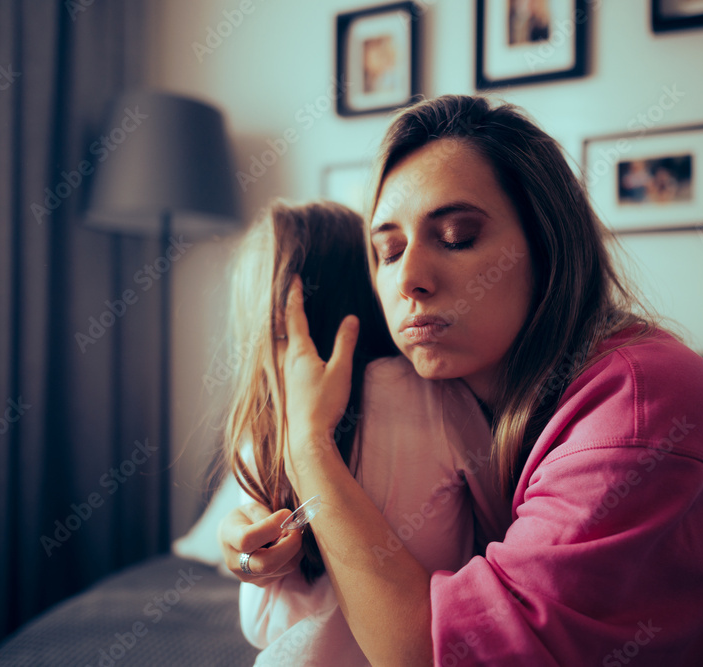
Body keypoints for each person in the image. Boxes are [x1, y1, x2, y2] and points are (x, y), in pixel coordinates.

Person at [220, 95, 703, 665]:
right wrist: (249, 551)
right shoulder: (454, 389)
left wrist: (310, 445)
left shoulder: (634, 415)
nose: (409, 277)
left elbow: (431, 654)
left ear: (548, 248)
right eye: (386, 250)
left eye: (458, 236)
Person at [218, 199, 511, 666]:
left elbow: (261, 627)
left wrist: (249, 562)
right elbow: (503, 541)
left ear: (274, 320)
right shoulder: (442, 396)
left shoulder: (267, 427)